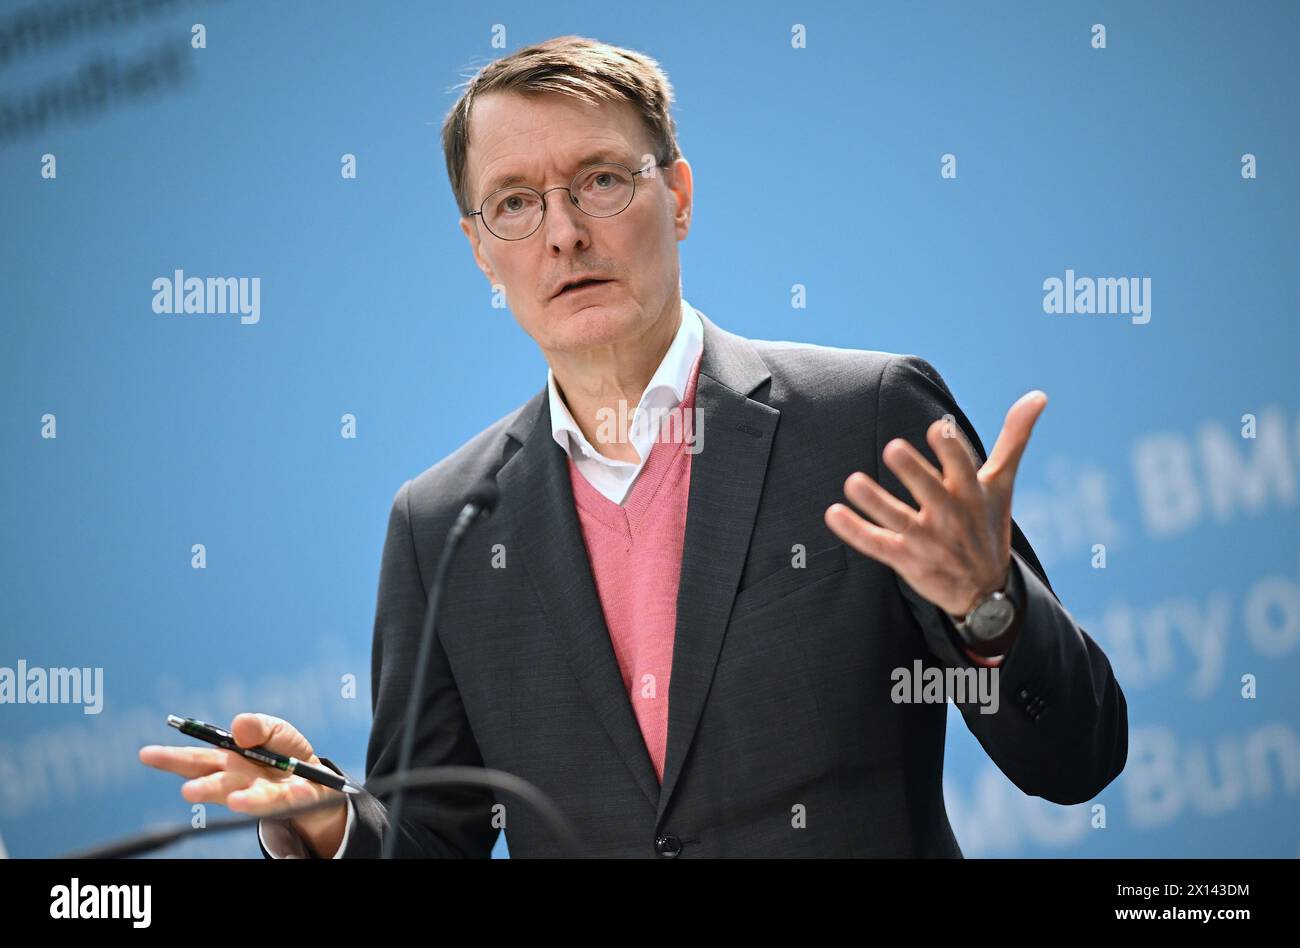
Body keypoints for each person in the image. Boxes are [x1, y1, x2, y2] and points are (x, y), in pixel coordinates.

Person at [139, 35, 1127, 858]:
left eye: (601, 181)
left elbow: (1075, 758)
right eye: (515, 203)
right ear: (481, 250)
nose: (562, 233)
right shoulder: (439, 524)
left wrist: (986, 609)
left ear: (679, 195)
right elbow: (433, 839)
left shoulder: (862, 420)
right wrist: (329, 825)